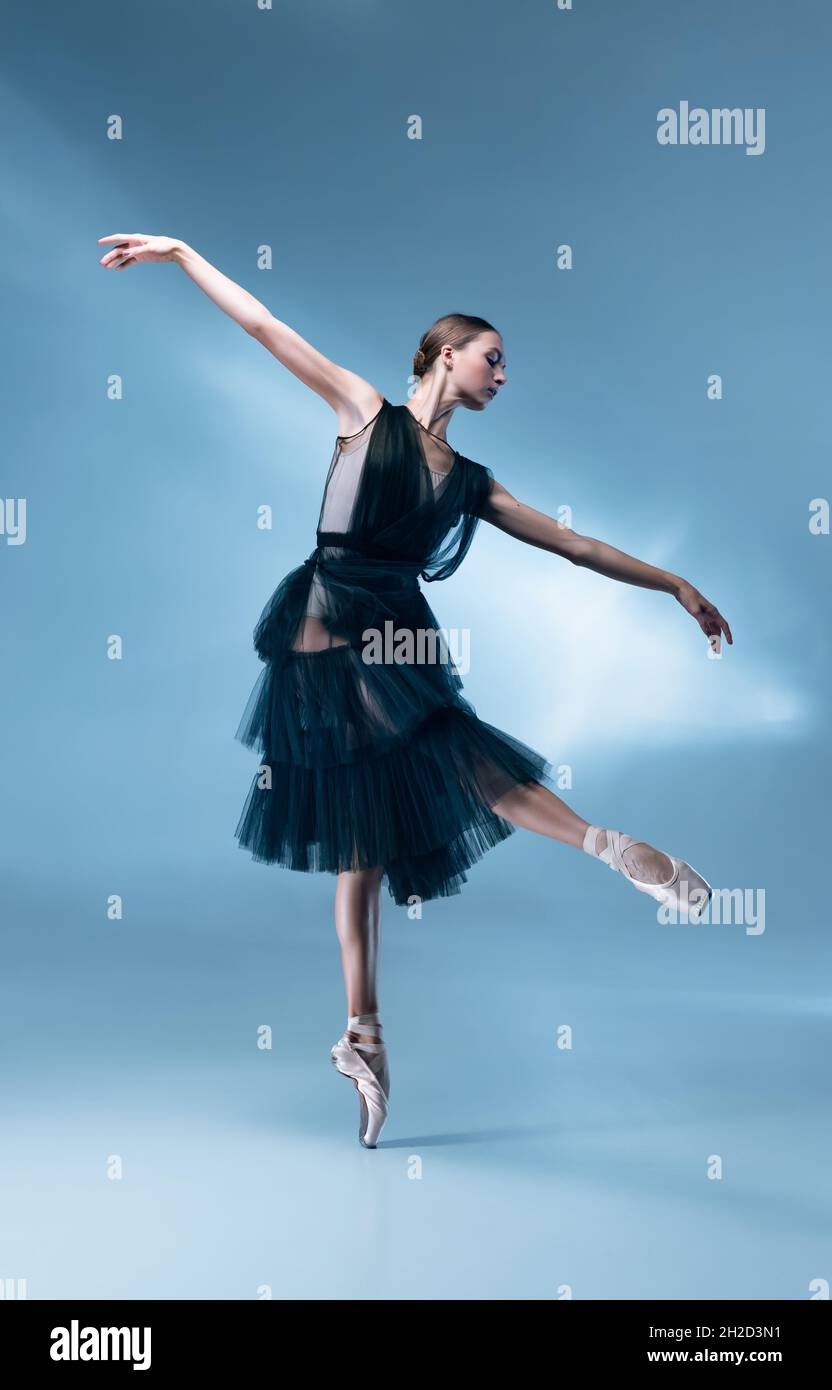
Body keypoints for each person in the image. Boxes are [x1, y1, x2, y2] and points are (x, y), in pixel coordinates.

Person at [98, 233, 734, 1148]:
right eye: (494, 358)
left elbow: (576, 545)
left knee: (367, 849)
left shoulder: (472, 483)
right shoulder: (364, 409)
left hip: (392, 638)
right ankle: (603, 845)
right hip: (333, 633)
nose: (503, 376)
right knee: (439, 768)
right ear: (447, 352)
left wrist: (674, 583)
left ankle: (365, 1037)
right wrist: (183, 253)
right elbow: (263, 323)